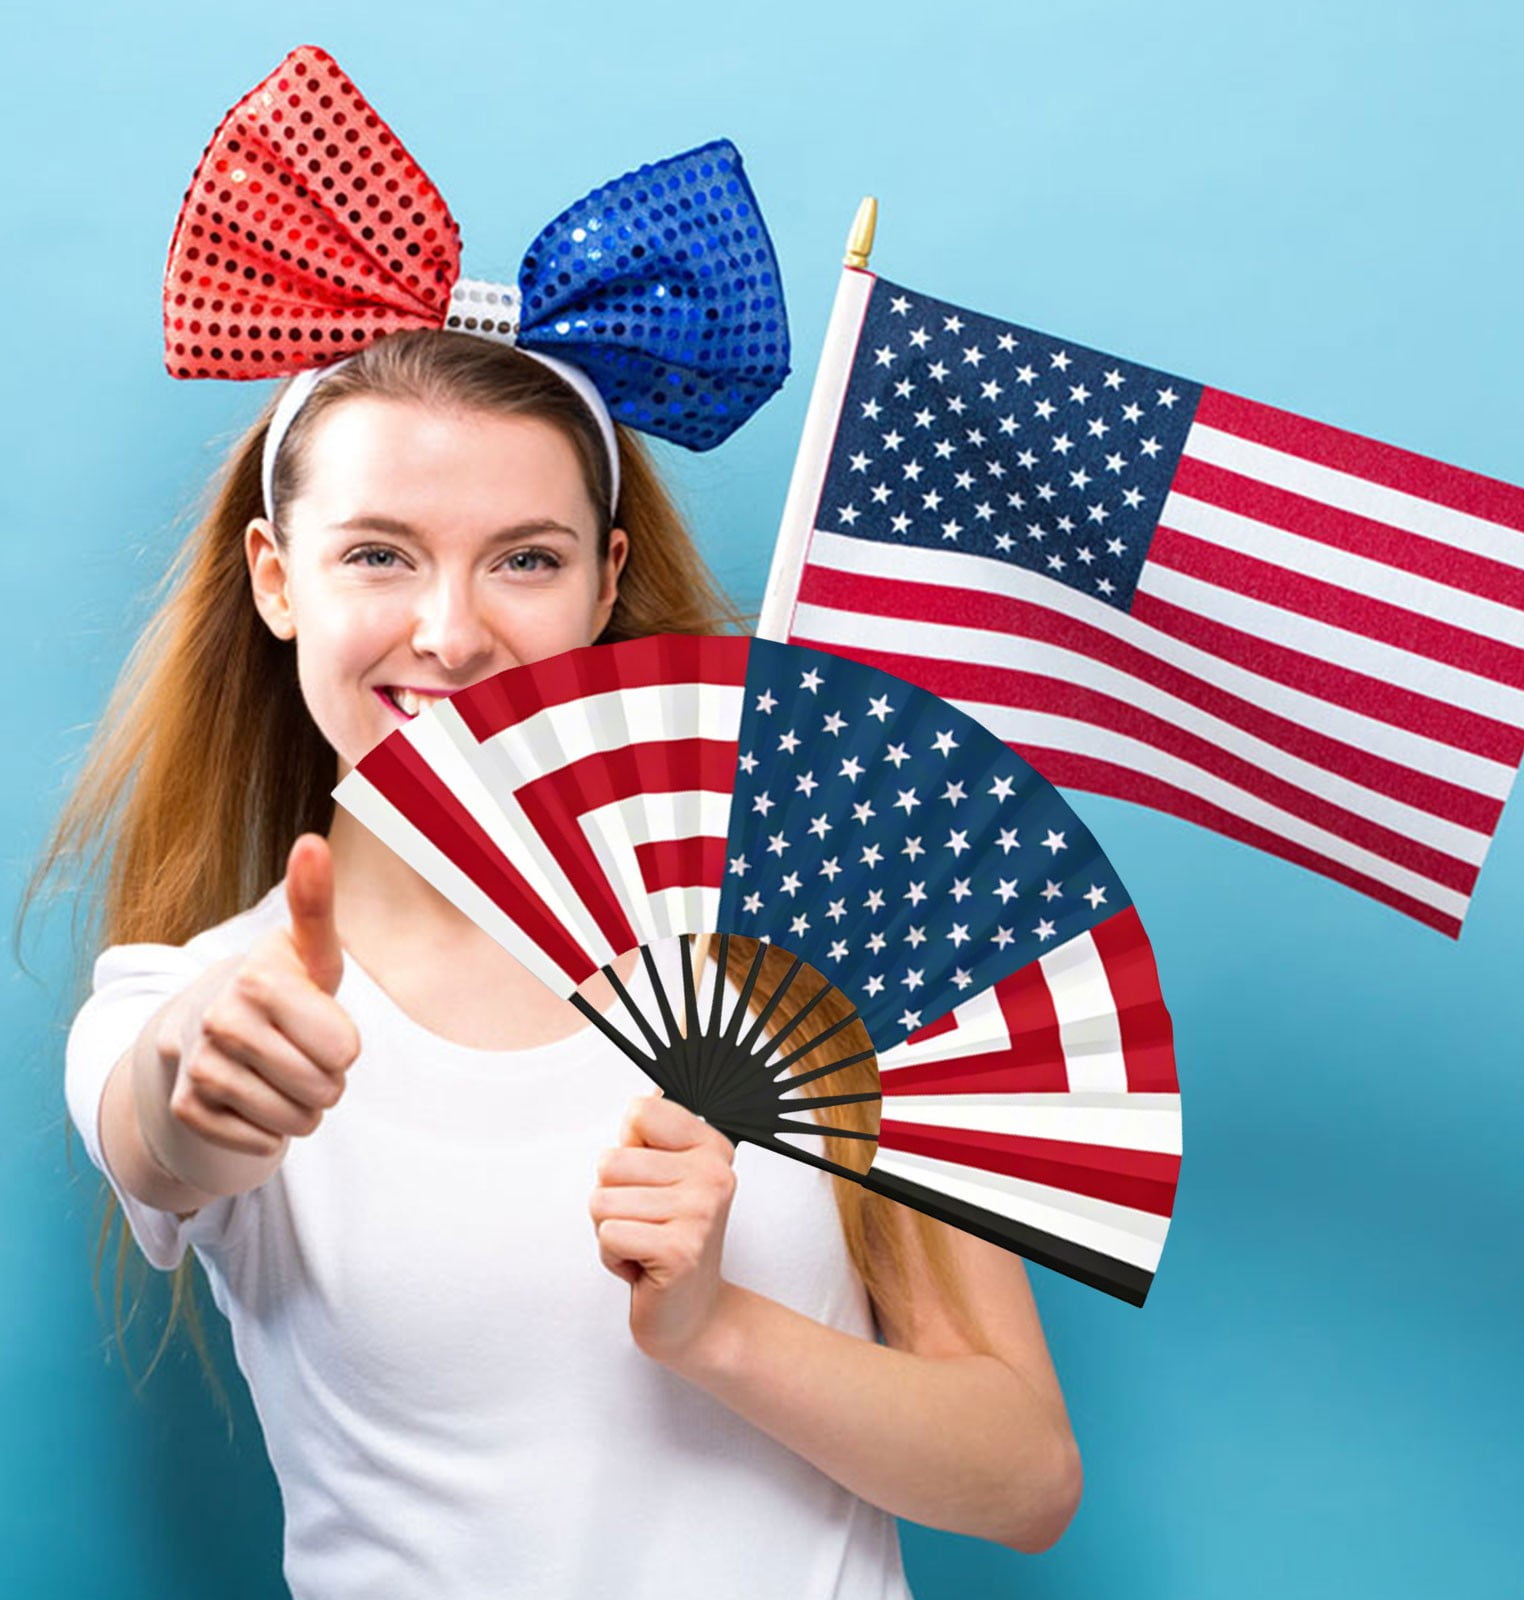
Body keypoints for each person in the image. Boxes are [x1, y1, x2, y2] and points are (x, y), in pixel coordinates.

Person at [32, 52, 1083, 1600]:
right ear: (275, 580)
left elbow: (1024, 1478)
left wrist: (718, 1328)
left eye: (521, 560)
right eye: (378, 553)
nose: (448, 632)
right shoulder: (194, 1005)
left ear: (602, 581)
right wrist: (202, 1087)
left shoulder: (816, 934)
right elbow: (163, 1120)